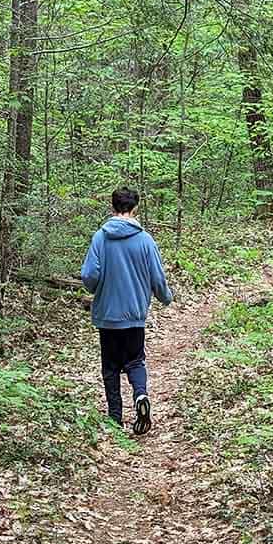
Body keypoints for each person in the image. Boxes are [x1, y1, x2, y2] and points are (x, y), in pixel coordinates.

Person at [81, 186, 173, 435]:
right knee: (135, 360)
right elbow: (158, 277)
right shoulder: (145, 240)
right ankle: (141, 396)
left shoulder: (100, 237)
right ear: (135, 209)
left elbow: (89, 275)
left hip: (107, 316)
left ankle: (114, 417)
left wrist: (95, 288)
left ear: (112, 208)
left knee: (110, 366)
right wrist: (166, 298)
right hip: (134, 315)